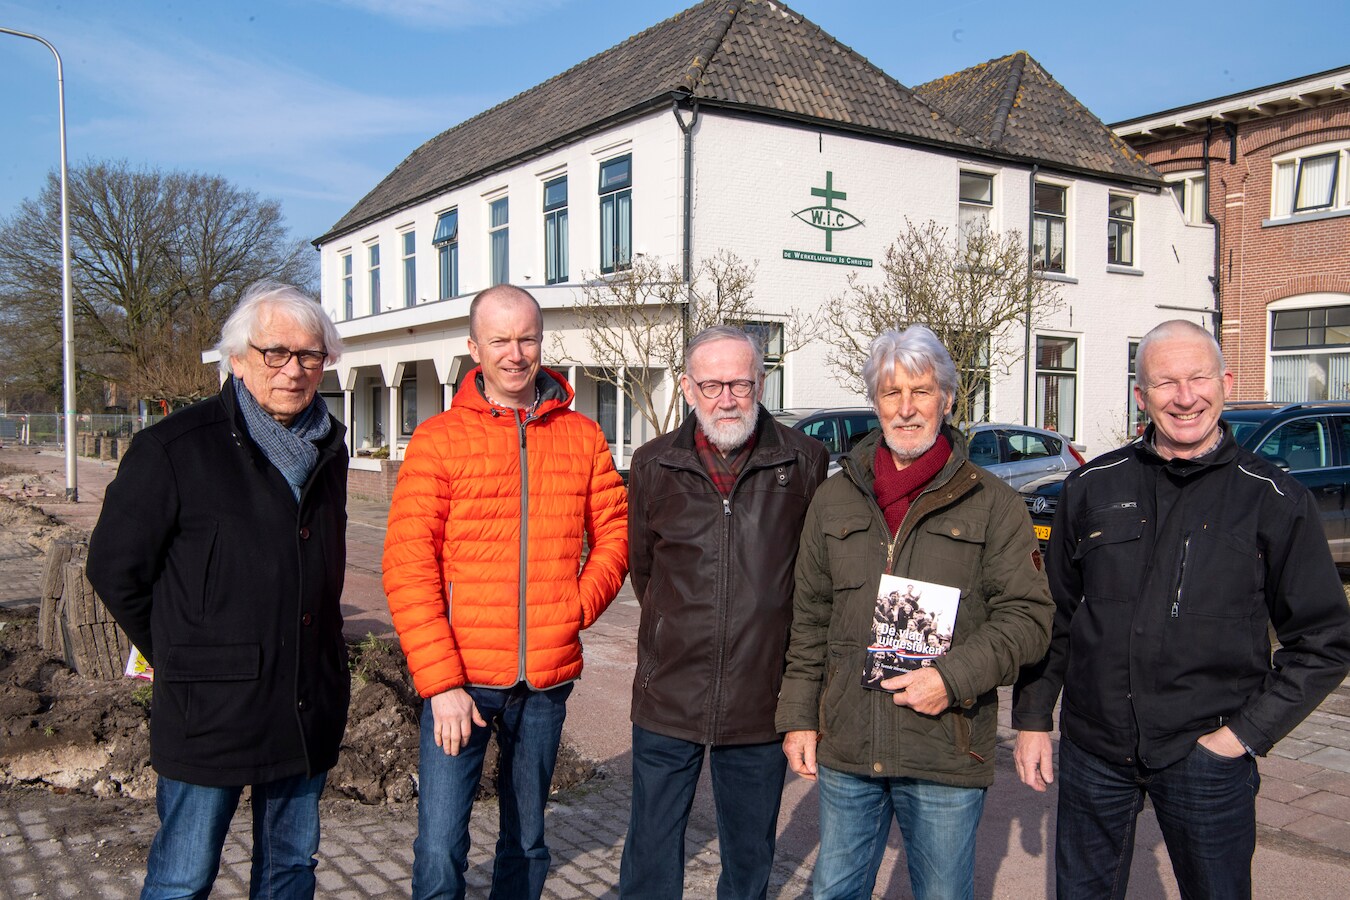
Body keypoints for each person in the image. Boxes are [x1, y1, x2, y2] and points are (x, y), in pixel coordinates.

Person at [1012, 319, 1350, 899]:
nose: (1185, 396)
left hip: (1207, 751)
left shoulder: (1273, 500)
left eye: (1198, 378)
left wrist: (1241, 737)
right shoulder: (1092, 486)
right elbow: (1056, 615)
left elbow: (1324, 641)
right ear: (1141, 397)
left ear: (1225, 381)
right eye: (1166, 383)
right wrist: (1033, 716)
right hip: (1096, 748)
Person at [86, 283, 349, 898]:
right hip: (210, 709)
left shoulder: (328, 449)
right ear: (236, 358)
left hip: (305, 701)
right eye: (275, 353)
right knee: (183, 877)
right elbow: (114, 568)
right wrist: (181, 653)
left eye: (310, 355)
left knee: (289, 870)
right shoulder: (173, 449)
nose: (294, 370)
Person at [775, 324, 1053, 900]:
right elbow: (809, 619)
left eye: (921, 391)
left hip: (944, 746)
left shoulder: (992, 503)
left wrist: (950, 678)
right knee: (832, 891)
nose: (906, 409)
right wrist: (799, 717)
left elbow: (1028, 618)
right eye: (890, 393)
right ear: (874, 402)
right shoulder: (834, 498)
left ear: (947, 399)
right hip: (848, 744)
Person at [383, 284, 629, 899]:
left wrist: (574, 608)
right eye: (500, 340)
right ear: (474, 348)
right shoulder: (438, 440)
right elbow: (408, 566)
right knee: (440, 845)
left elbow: (616, 535)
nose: (516, 353)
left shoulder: (581, 435)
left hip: (543, 682)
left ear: (541, 342)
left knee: (526, 842)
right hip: (460, 681)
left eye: (527, 338)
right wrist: (440, 683)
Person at [619, 325, 829, 899]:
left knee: (750, 854)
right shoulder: (653, 464)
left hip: (760, 698)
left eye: (740, 382)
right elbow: (645, 570)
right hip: (669, 693)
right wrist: (676, 630)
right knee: (651, 853)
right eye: (712, 385)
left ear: (761, 383)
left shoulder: (805, 460)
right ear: (688, 389)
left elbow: (812, 578)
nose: (727, 398)